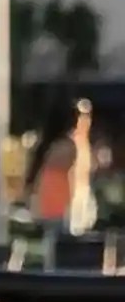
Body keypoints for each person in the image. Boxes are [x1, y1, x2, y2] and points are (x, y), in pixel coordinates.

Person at [29, 98, 97, 236]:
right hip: (62, 211)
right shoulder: (68, 146)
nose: (86, 120)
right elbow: (66, 178)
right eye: (81, 116)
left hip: (61, 211)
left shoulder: (76, 144)